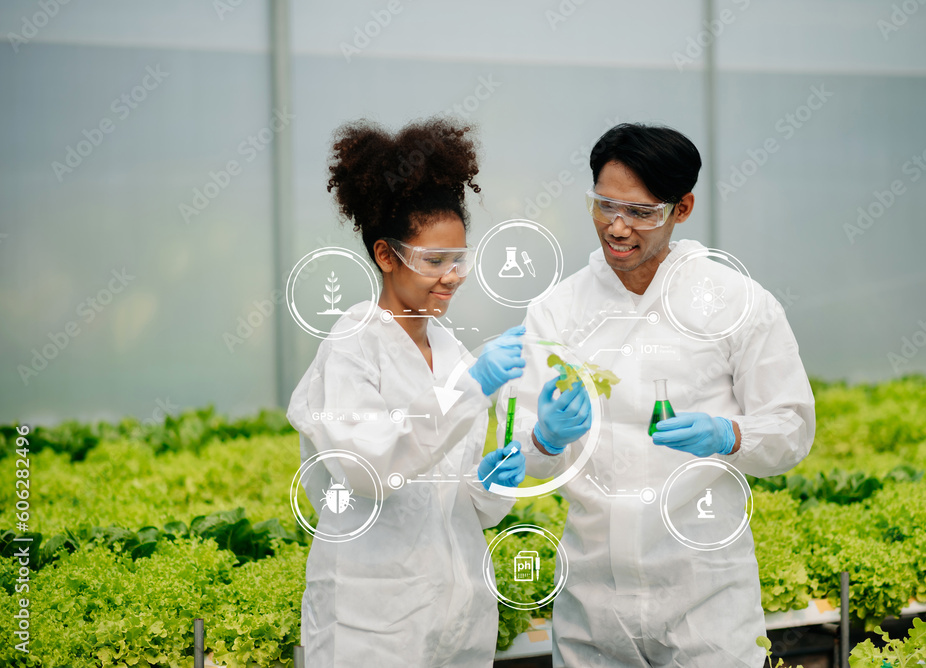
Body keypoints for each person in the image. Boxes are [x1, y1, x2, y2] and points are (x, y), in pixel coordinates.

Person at [516, 122, 816, 667]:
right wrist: (545, 435)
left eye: (641, 212)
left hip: (705, 600)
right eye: (605, 205)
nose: (618, 227)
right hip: (592, 600)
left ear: (682, 208)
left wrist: (731, 434)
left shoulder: (736, 302)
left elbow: (792, 429)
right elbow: (525, 459)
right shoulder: (556, 312)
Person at [286, 118, 527, 667]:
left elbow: (468, 509)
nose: (450, 277)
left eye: (458, 261)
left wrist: (492, 484)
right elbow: (371, 468)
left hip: (458, 620)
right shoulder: (352, 348)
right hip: (374, 626)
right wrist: (470, 392)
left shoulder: (455, 356)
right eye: (433, 262)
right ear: (386, 256)